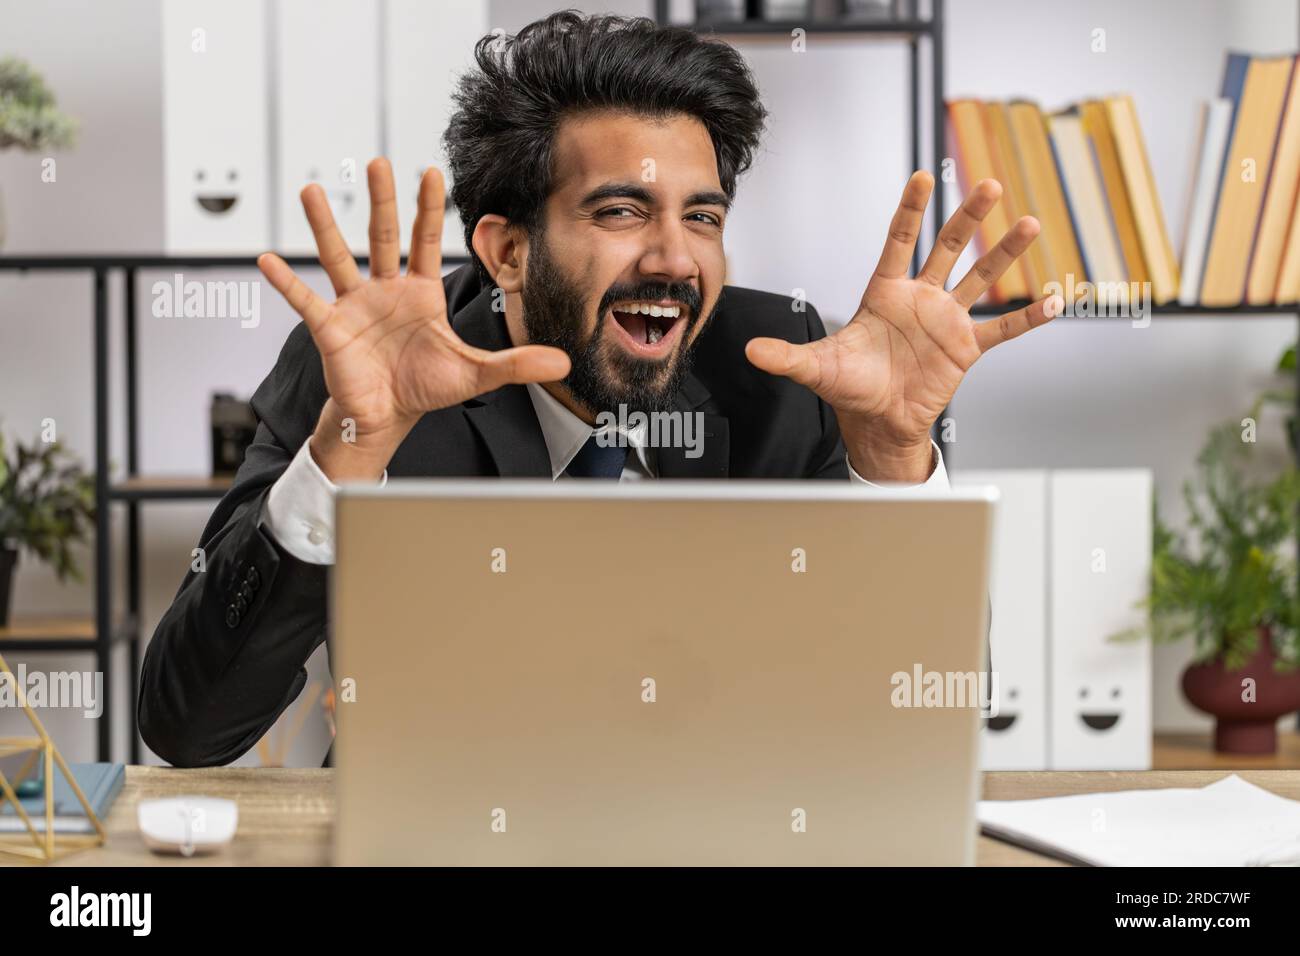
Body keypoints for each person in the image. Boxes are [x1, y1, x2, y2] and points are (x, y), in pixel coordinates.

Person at [139, 12, 1059, 767]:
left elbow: (923, 725)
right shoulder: (368, 372)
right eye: (620, 211)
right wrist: (349, 453)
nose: (673, 259)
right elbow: (189, 728)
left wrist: (896, 458)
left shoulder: (794, 374)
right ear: (506, 250)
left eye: (702, 217)